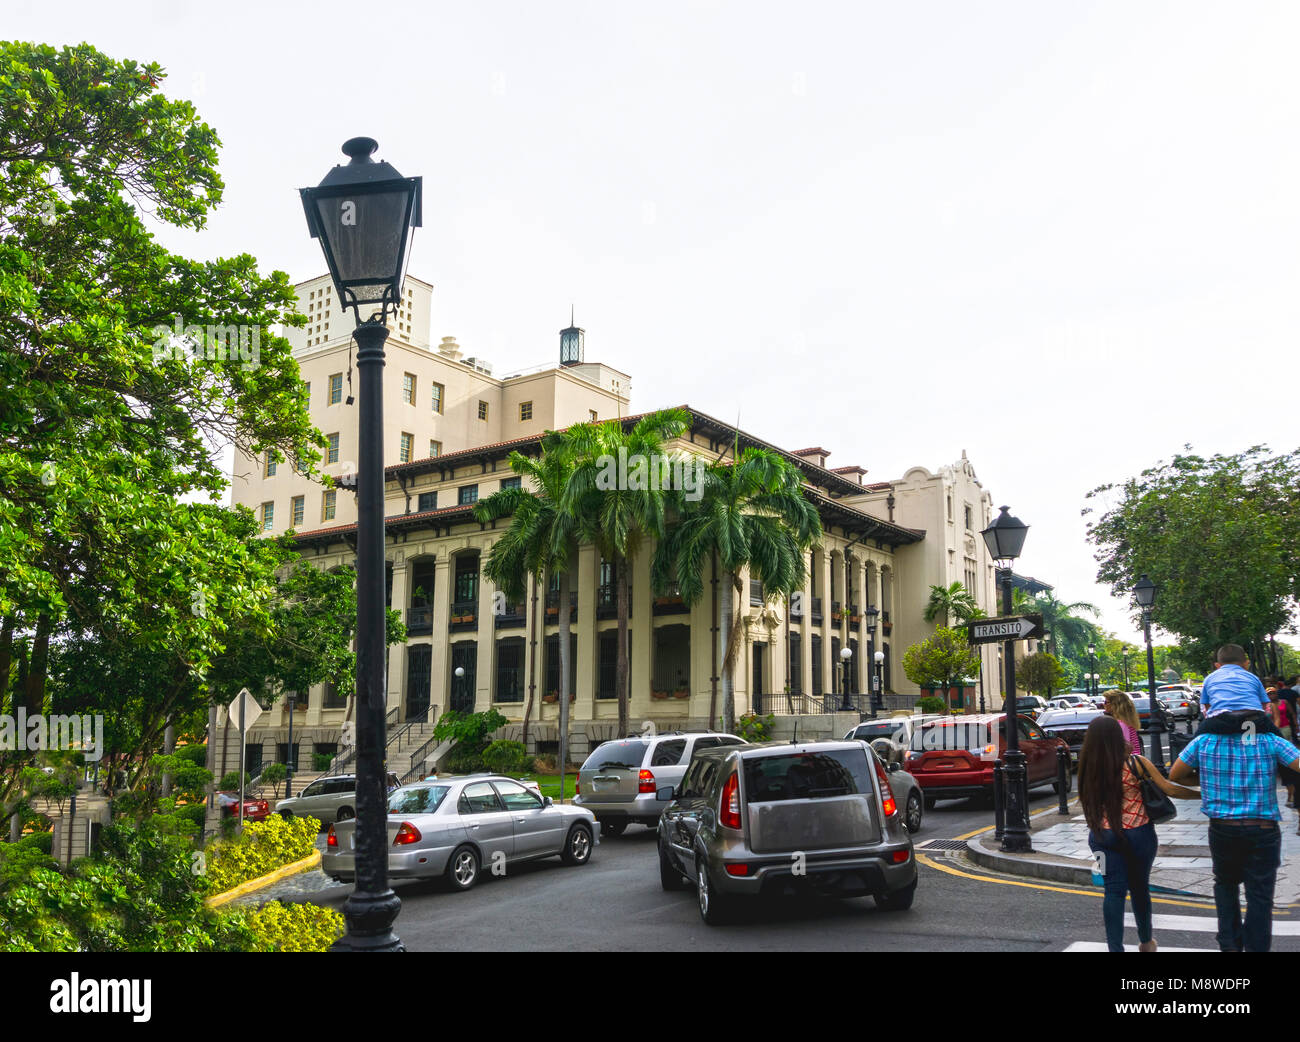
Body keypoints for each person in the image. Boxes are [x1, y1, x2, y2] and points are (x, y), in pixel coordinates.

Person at [1170, 712, 1300, 951]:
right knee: (1260, 896)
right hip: (1262, 829)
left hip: (1223, 829)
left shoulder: (1204, 741)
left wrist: (1206, 781)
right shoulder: (1270, 740)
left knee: (1225, 886)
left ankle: (1229, 945)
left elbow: (1175, 774)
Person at [1079, 715, 1200, 953]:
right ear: (1117, 736)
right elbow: (1169, 789)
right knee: (1140, 888)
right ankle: (1146, 942)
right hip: (1139, 834)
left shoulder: (1087, 767)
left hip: (1102, 839)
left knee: (1112, 891)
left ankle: (1115, 948)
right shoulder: (1136, 763)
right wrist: (1202, 795)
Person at [1103, 690, 1143, 755]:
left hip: (1126, 762)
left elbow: (1123, 748)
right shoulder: (1126, 721)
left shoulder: (1121, 724)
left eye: (1106, 702)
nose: (1104, 704)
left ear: (1115, 705)